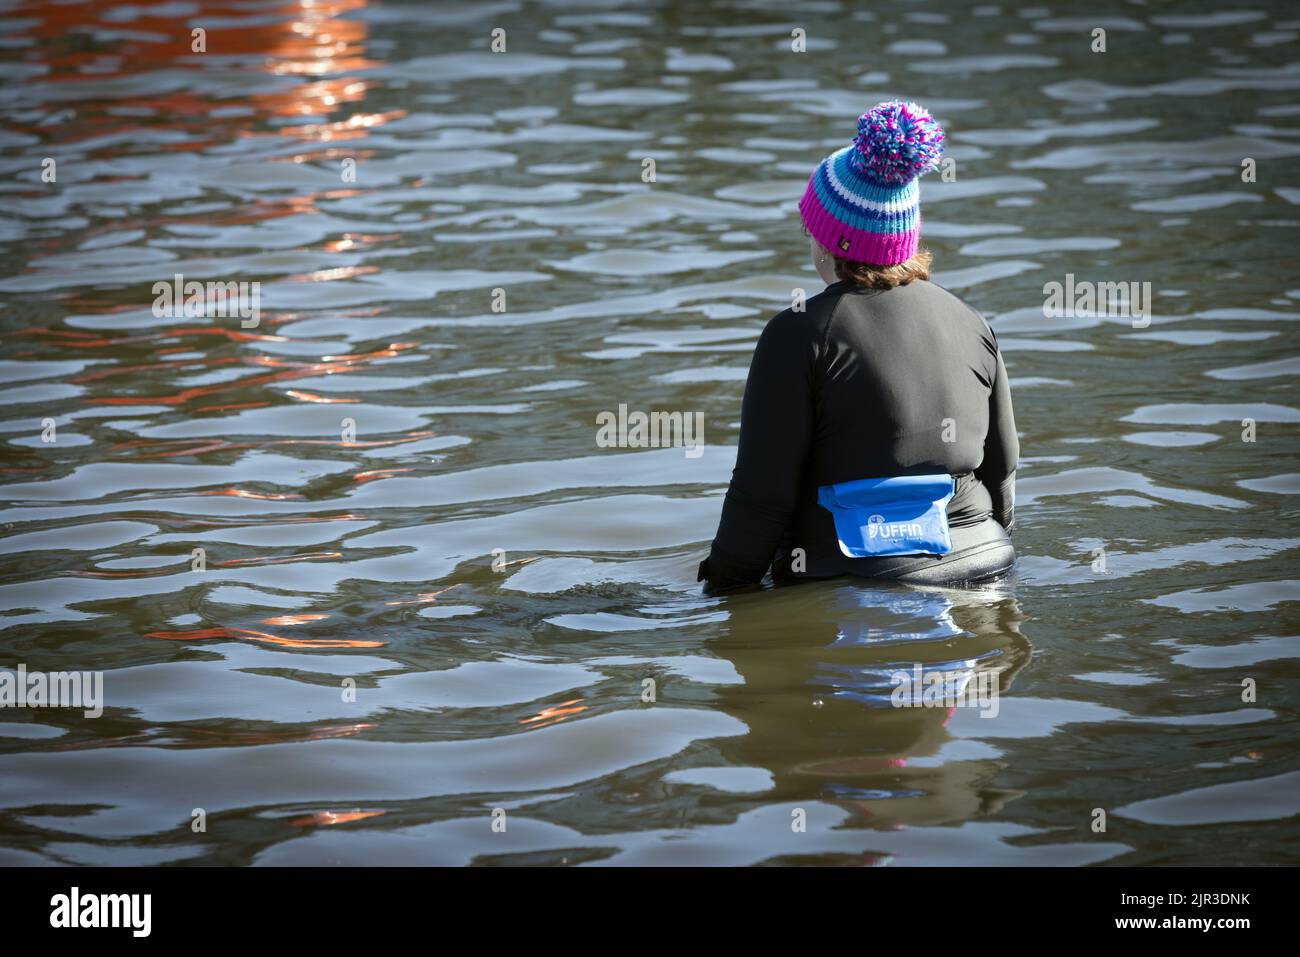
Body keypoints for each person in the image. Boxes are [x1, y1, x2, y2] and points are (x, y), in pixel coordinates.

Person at [698, 101, 1019, 593]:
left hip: (860, 580)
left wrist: (720, 594)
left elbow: (761, 497)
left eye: (810, 223)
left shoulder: (798, 333)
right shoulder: (972, 322)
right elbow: (1002, 468)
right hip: (985, 563)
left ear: (825, 239)